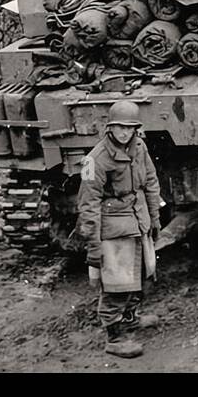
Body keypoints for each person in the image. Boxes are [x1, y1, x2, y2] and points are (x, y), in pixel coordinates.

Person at [78, 99, 163, 357]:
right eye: (120, 128)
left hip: (138, 219)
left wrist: (155, 218)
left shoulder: (140, 146)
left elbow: (150, 182)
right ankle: (113, 338)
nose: (125, 133)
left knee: (138, 276)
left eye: (130, 128)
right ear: (110, 127)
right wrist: (93, 247)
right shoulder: (95, 160)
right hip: (113, 227)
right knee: (116, 284)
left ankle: (131, 318)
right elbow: (87, 205)